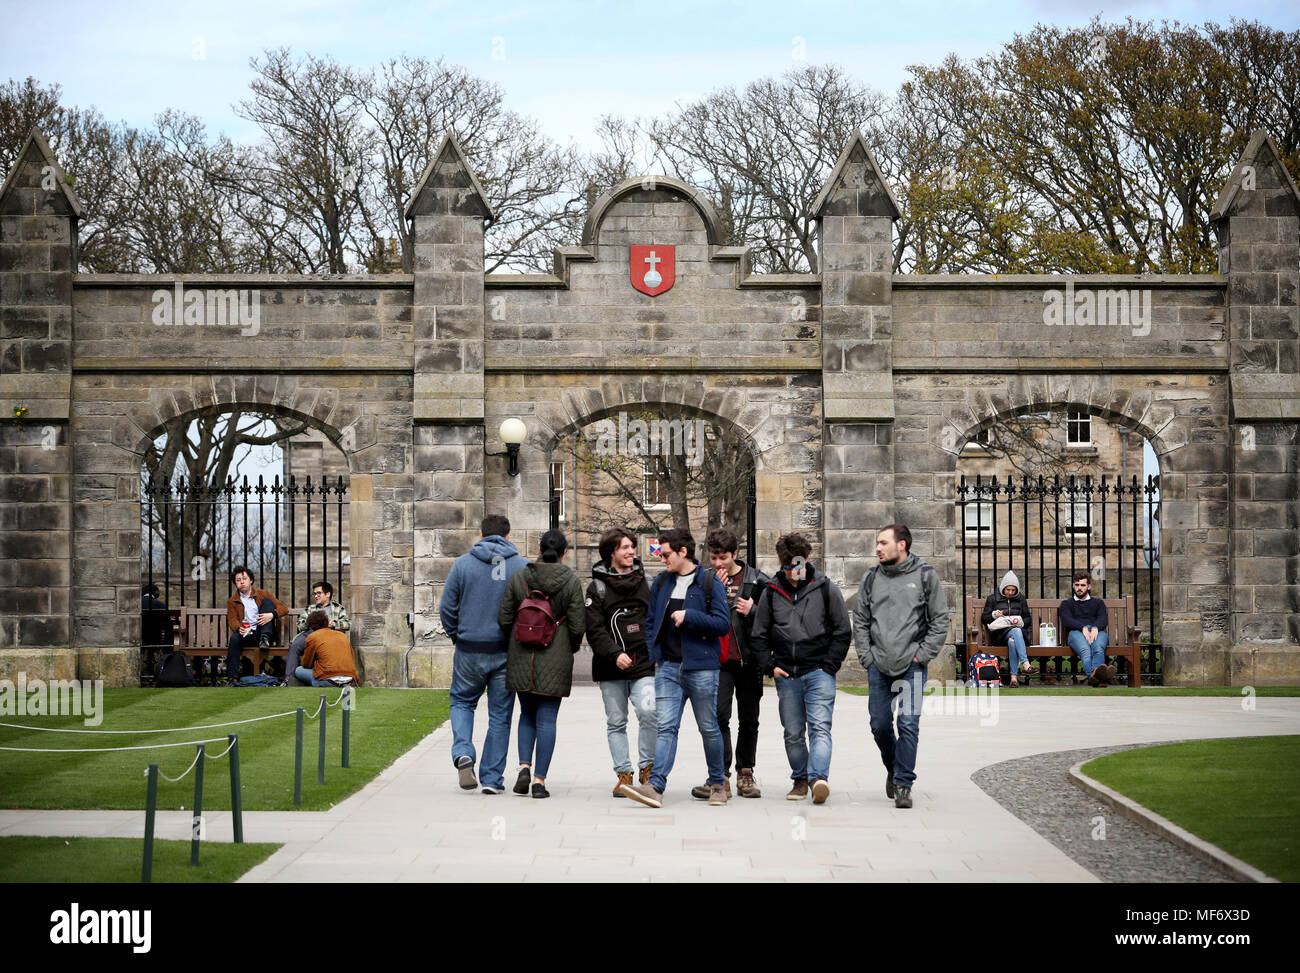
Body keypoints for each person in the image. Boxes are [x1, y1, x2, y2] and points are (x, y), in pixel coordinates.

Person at [620, 527, 731, 808]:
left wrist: (690, 616)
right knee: (666, 727)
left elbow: (722, 624)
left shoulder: (708, 581)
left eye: (666, 553)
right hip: (668, 668)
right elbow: (651, 622)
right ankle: (656, 786)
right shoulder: (661, 583)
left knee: (709, 727)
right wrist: (655, 654)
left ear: (683, 552)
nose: (662, 558)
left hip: (702, 668)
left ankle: (717, 784)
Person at [749, 532, 851, 805]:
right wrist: (770, 666)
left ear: (806, 559)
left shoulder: (826, 588)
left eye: (797, 566)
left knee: (819, 727)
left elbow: (842, 630)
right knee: (793, 732)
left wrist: (829, 666)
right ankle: (800, 779)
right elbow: (759, 635)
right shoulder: (771, 592)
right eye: (787, 567)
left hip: (818, 671)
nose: (793, 573)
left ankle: (819, 779)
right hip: (787, 674)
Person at [852, 525, 949, 809]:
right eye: (877, 543)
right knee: (880, 725)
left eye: (883, 542)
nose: (878, 548)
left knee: (908, 724)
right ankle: (894, 768)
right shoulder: (871, 578)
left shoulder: (925, 576)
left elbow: (940, 619)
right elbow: (860, 619)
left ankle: (903, 784)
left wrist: (922, 655)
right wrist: (866, 656)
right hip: (878, 664)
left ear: (902, 545)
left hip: (912, 665)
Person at [440, 514, 528, 794]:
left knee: (463, 702)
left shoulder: (463, 564)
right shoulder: (521, 566)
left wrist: (458, 635)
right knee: (500, 716)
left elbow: (447, 608)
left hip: (469, 647)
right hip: (505, 650)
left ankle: (464, 751)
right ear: (508, 536)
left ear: (481, 536)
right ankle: (491, 778)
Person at [499, 529, 585, 799]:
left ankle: (523, 766)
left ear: (538, 549)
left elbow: (504, 617)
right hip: (555, 653)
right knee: (547, 718)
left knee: (526, 714)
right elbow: (578, 624)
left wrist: (516, 638)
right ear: (564, 552)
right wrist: (567, 648)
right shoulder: (570, 581)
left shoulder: (520, 576)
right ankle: (539, 781)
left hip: (522, 653)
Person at [687, 528, 769, 801]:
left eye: (723, 557)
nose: (718, 563)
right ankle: (720, 776)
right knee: (719, 718)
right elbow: (696, 615)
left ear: (735, 554)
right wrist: (715, 591)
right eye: (713, 557)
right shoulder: (705, 581)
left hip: (748, 660)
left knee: (749, 720)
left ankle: (746, 772)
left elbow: (774, 619)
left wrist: (754, 611)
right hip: (717, 661)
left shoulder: (757, 581)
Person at [586, 527, 657, 797]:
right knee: (616, 722)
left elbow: (655, 622)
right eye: (624, 547)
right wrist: (615, 654)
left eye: (632, 546)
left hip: (645, 666)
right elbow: (594, 630)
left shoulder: (648, 582)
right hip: (610, 667)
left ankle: (647, 769)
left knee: (650, 713)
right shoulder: (598, 587)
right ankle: (623, 775)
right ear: (611, 552)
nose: (630, 551)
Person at [224, 567, 289, 684]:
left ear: (251, 580)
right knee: (234, 638)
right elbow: (232, 620)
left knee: (268, 602)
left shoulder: (263, 594)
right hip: (249, 632)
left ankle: (265, 638)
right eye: (238, 580)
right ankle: (232, 678)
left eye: (244, 578)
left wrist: (272, 615)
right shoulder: (232, 601)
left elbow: (284, 609)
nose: (242, 582)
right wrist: (239, 629)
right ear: (235, 584)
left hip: (265, 630)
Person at [286, 580, 351, 686]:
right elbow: (300, 625)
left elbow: (347, 624)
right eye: (315, 594)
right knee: (295, 645)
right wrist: (310, 621)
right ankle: (288, 680)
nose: (316, 596)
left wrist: (333, 623)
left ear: (328, 594)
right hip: (311, 633)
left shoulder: (338, 608)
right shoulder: (310, 608)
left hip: (331, 634)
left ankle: (326, 678)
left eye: (319, 593)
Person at [981, 571, 1036, 687]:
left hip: (1018, 635)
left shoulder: (1021, 599)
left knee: (1012, 641)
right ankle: (1025, 663)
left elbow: (1028, 620)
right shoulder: (993, 599)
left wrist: (1020, 621)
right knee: (1015, 632)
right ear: (1003, 588)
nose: (1010, 593)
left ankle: (1013, 679)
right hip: (999, 635)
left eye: (1013, 590)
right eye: (1008, 590)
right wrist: (994, 615)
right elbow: (984, 618)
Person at [1060, 571, 1115, 686]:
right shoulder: (1066, 604)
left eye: (1083, 585)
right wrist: (1082, 628)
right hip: (1075, 633)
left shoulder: (1098, 603)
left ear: (1089, 586)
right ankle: (1100, 677)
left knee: (1098, 648)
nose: (1079, 588)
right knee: (1085, 651)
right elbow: (1066, 621)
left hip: (1097, 632)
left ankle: (1095, 679)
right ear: (1073, 585)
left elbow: (1103, 619)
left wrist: (1095, 627)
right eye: (1077, 585)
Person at [295, 609, 360, 687]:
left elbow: (306, 664)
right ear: (326, 622)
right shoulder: (343, 635)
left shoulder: (313, 636)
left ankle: (318, 685)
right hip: (350, 679)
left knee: (298, 670)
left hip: (328, 680)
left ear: (311, 626)